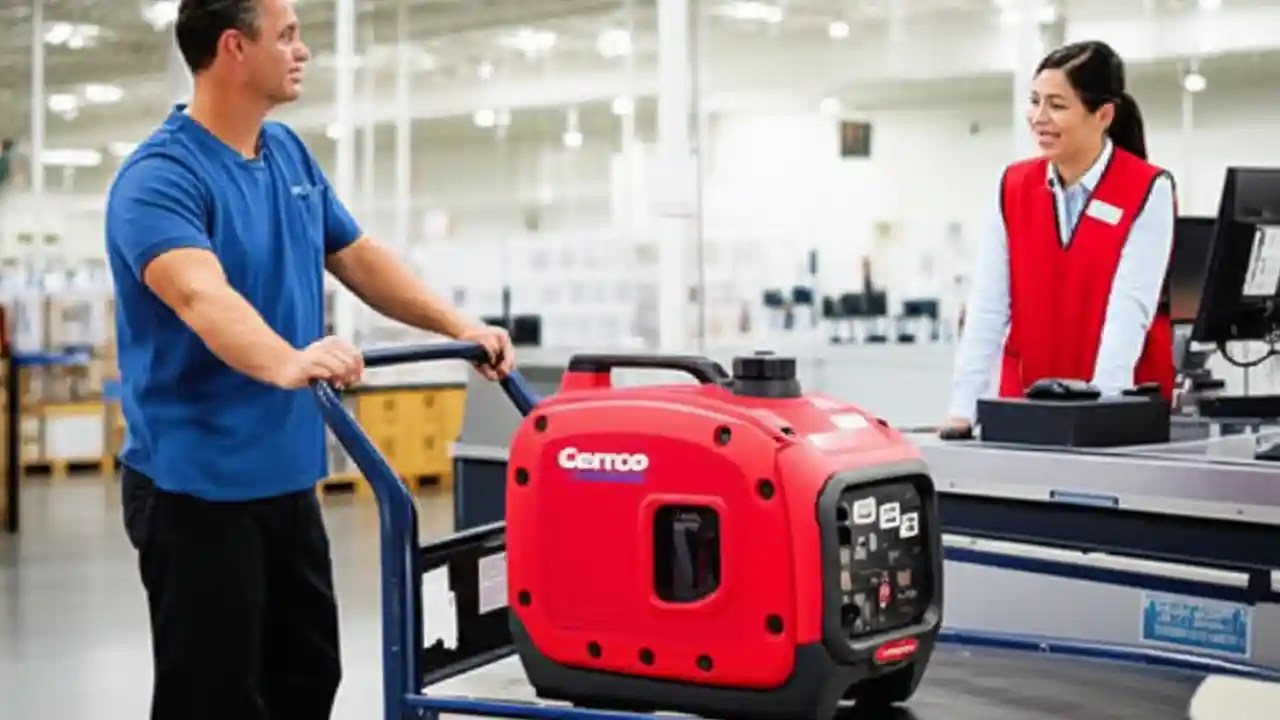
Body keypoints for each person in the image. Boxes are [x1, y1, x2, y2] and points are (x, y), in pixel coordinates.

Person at [103, 1, 514, 718]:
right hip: (194, 488)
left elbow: (355, 255)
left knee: (306, 677)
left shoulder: (287, 152)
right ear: (234, 47)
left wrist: (458, 325)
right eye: (287, 35)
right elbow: (200, 295)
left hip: (286, 478)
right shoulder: (157, 178)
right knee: (216, 697)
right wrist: (286, 359)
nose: (304, 51)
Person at [942, 40, 1176, 437]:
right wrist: (963, 407)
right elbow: (988, 307)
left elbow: (1129, 312)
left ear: (1102, 115)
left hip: (1120, 407)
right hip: (1027, 403)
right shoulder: (1013, 185)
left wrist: (1100, 410)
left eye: (1057, 105)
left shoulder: (1146, 188)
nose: (1039, 117)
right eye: (1034, 101)